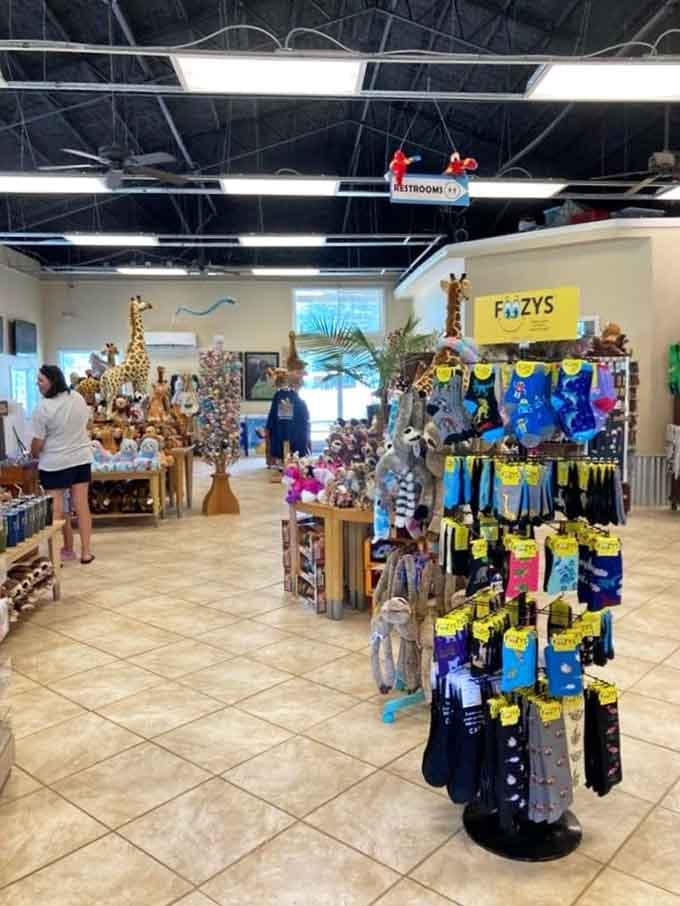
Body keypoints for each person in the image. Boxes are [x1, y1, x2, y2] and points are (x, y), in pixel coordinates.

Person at [30, 365, 95, 564]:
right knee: (82, 506)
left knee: (56, 511)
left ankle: (56, 557)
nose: (37, 384)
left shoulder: (43, 408)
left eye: (41, 380)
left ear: (53, 381)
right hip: (81, 459)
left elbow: (38, 443)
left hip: (55, 463)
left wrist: (32, 453)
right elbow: (87, 423)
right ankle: (85, 552)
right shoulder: (76, 397)